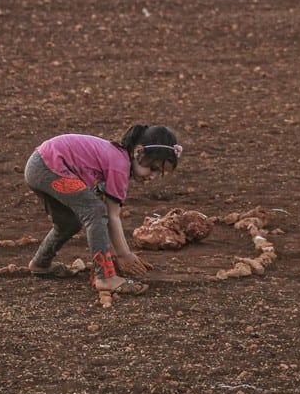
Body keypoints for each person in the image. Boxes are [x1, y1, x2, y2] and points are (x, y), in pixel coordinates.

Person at [23, 125, 182, 296]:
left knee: (68, 223)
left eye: (160, 173)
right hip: (47, 166)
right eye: (154, 168)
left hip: (40, 165)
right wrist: (124, 255)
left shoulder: (118, 160)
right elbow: (111, 215)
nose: (153, 176)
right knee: (95, 211)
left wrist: (120, 253)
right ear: (138, 152)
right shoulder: (119, 165)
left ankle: (41, 263)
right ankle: (105, 277)